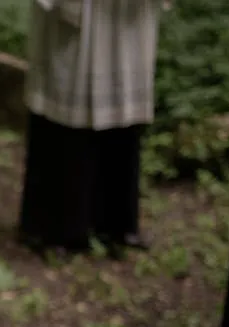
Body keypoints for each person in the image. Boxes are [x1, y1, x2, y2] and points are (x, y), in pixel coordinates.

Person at [19, 0, 162, 256]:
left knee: (124, 110)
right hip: (80, 16)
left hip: (129, 17)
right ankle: (58, 229)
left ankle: (117, 223)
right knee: (67, 112)